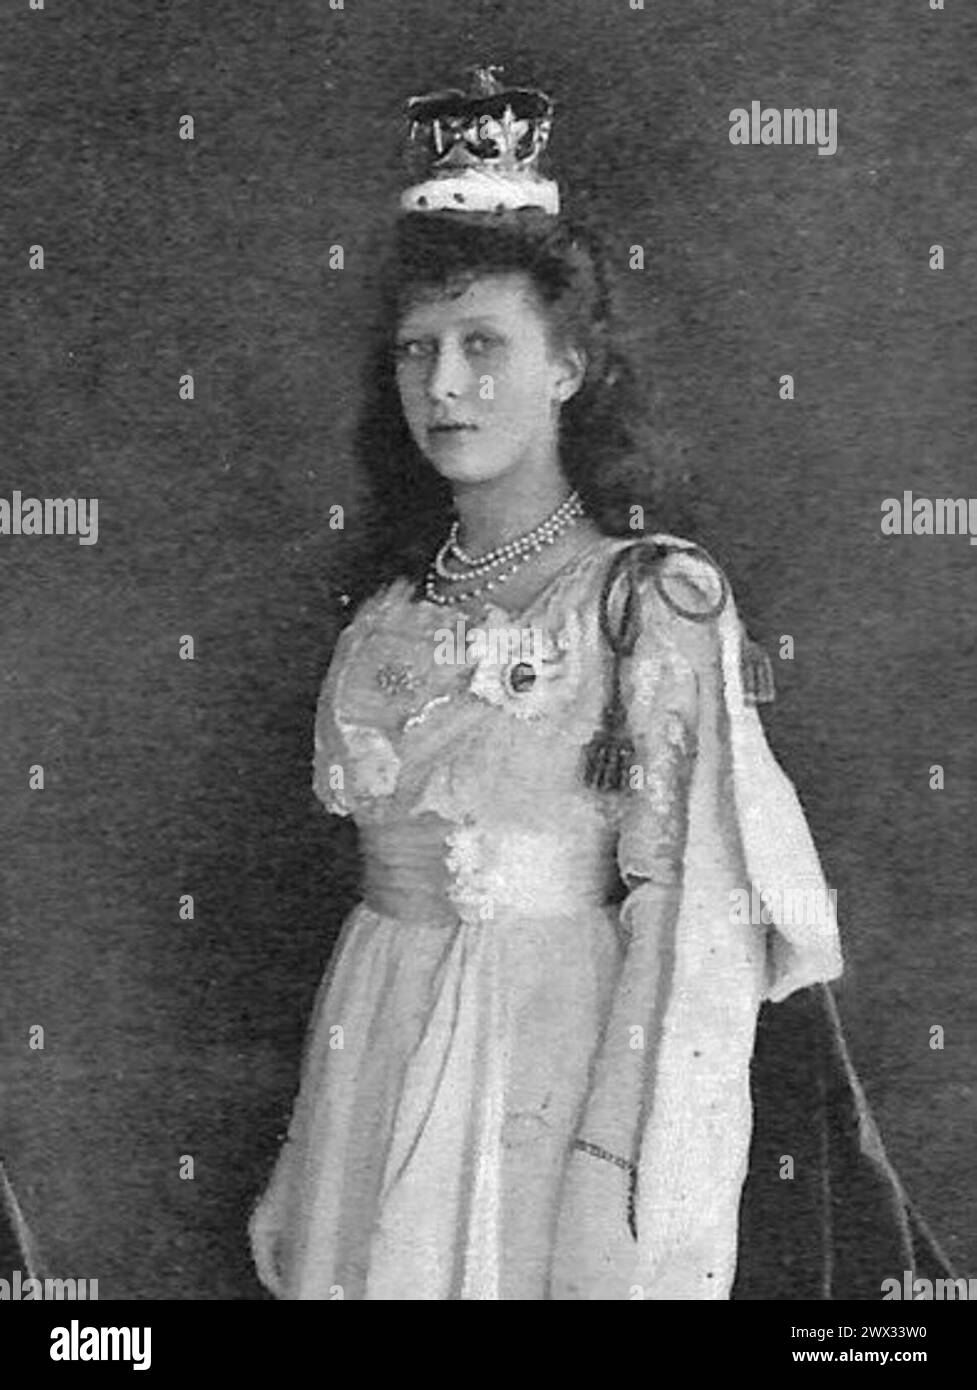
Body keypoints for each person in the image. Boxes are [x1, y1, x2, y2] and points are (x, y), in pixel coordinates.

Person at [249, 68, 953, 1300]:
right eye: (418, 351)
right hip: (376, 1035)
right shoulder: (383, 620)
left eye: (484, 346)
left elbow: (691, 914)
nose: (445, 387)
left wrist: (619, 1163)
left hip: (558, 1053)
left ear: (568, 365)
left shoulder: (651, 601)